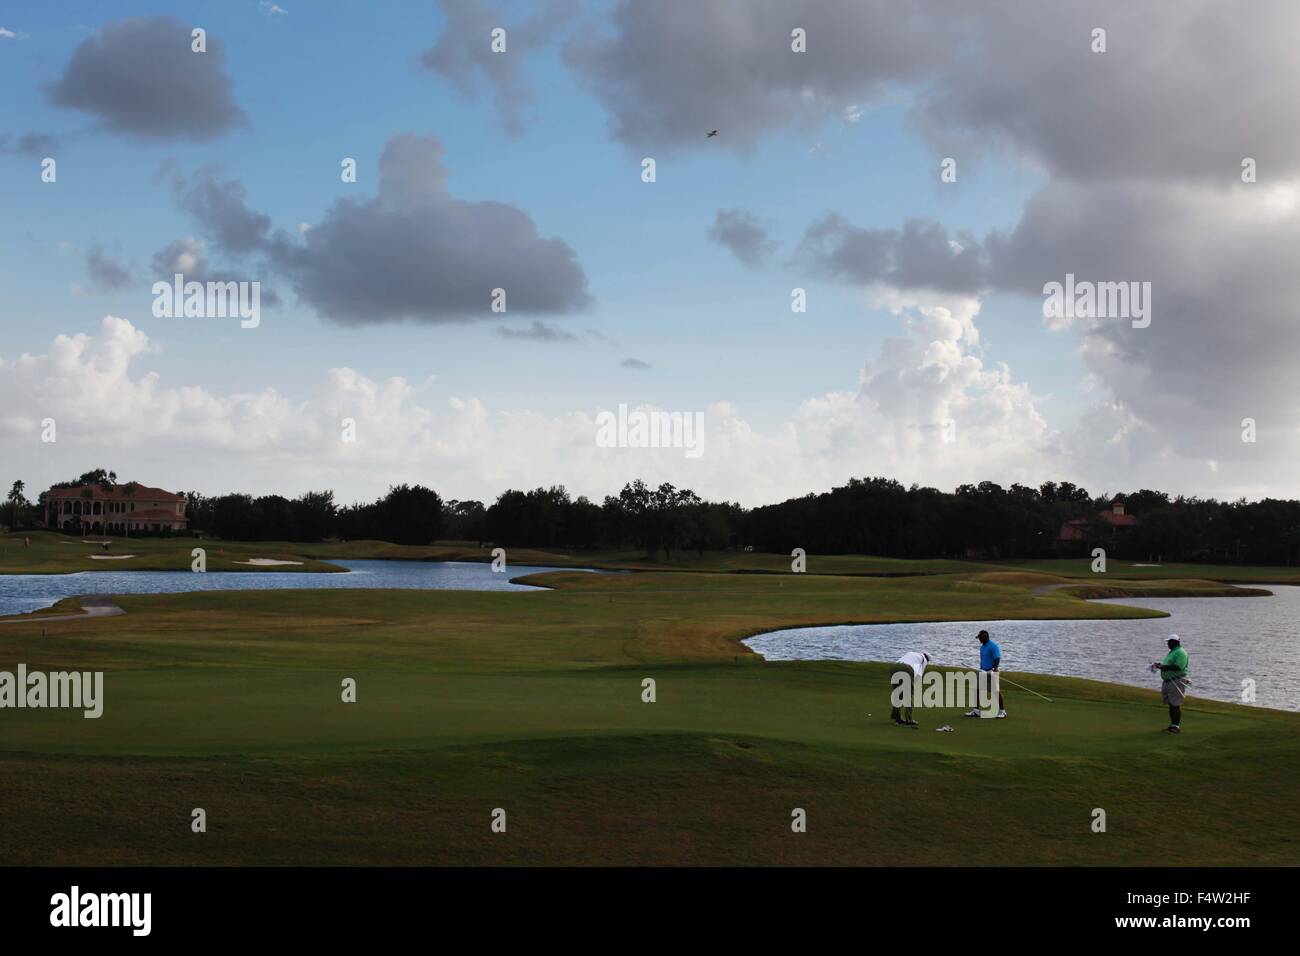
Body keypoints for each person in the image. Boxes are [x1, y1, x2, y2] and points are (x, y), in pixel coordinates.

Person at [965, 629, 1006, 718]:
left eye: (980, 638)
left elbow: (997, 658)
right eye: (978, 638)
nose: (979, 640)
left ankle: (1002, 711)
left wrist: (993, 669)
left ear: (985, 637)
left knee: (995, 691)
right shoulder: (982, 647)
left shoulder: (993, 646)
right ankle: (976, 711)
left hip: (991, 671)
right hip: (982, 671)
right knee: (977, 690)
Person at [1153, 635, 1189, 734]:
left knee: (1175, 704)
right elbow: (1169, 665)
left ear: (1175, 642)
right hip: (1169, 681)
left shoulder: (1181, 652)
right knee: (1171, 704)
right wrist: (1160, 666)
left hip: (1176, 681)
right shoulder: (1172, 652)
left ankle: (1176, 727)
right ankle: (1172, 725)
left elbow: (1179, 667)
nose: (1168, 643)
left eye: (1169, 642)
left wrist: (1164, 667)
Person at [890, 650, 930, 727]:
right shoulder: (923, 660)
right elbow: (918, 675)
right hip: (906, 669)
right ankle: (909, 720)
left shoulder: (911, 653)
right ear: (927, 658)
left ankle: (896, 717)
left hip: (895, 667)